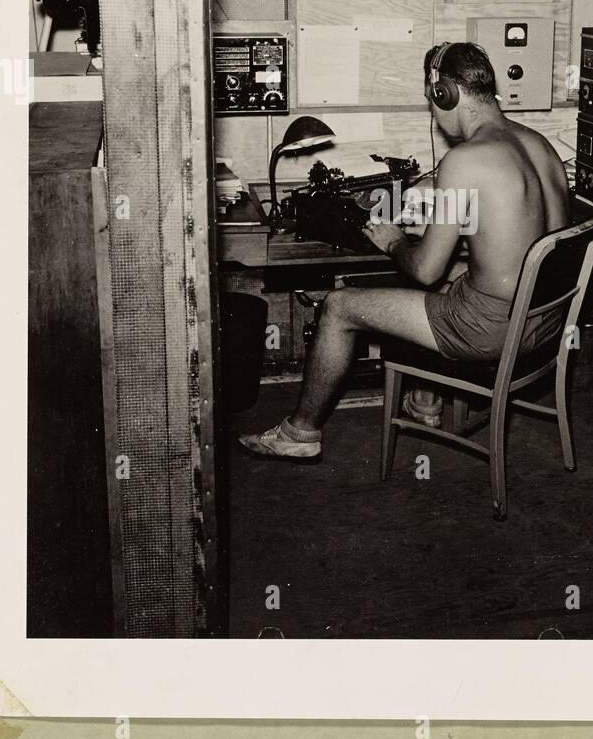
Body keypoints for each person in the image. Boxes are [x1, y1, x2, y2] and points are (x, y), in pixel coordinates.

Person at [238, 42, 570, 461]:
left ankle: (298, 434)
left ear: (444, 93)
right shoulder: (541, 145)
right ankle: (425, 399)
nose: (433, 112)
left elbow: (426, 271)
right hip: (544, 322)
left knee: (340, 306)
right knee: (458, 279)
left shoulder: (464, 160)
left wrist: (394, 239)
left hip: (490, 331)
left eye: (432, 102)